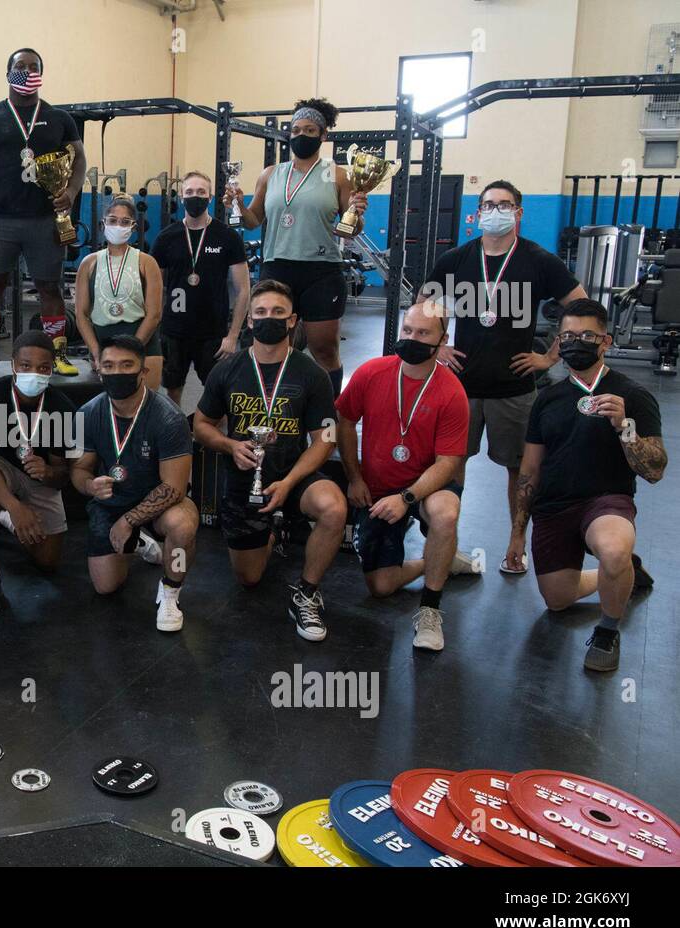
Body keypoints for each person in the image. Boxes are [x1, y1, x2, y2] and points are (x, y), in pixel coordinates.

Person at [418, 179, 588, 574]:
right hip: (460, 387)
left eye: (504, 204)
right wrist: (437, 347)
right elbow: (423, 309)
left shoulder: (539, 261)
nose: (496, 211)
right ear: (476, 213)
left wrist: (549, 358)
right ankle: (448, 548)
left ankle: (516, 544)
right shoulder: (456, 260)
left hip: (514, 389)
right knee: (451, 466)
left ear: (519, 212)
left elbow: (581, 308)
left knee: (522, 472)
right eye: (488, 205)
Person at [510, 298, 665, 672]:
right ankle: (624, 570)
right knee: (557, 600)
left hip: (605, 501)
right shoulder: (547, 399)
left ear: (605, 341)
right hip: (555, 506)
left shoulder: (633, 396)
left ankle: (608, 632)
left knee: (611, 549)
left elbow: (655, 470)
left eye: (586, 335)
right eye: (568, 336)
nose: (575, 342)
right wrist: (517, 534)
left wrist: (624, 428)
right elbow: (530, 470)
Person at [193, 280, 346, 641]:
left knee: (333, 508)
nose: (269, 319)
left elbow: (325, 440)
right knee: (249, 579)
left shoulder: (312, 374)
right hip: (244, 479)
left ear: (293, 320)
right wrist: (231, 446)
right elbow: (201, 425)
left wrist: (291, 482)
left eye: (278, 313)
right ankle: (274, 530)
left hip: (294, 475)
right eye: (260, 313)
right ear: (248, 321)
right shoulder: (228, 369)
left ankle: (306, 594)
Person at [335, 301, 482, 652]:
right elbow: (344, 421)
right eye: (407, 331)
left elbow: (448, 463)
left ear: (442, 339)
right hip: (378, 486)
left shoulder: (451, 392)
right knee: (381, 587)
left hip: (428, 484)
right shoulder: (371, 373)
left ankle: (430, 610)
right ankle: (439, 561)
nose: (412, 339)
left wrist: (406, 499)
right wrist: (354, 478)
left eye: (423, 333)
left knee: (446, 514)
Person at [225, 98, 369, 398]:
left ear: (323, 135)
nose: (301, 135)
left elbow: (350, 229)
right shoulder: (271, 174)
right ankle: (277, 408)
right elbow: (252, 221)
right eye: (296, 129)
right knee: (272, 345)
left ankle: (328, 417)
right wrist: (238, 203)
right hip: (277, 267)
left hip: (321, 270)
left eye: (310, 129)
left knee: (324, 350)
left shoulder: (338, 175)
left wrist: (357, 214)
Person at [0, 47, 87, 376]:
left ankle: (55, 353)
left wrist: (71, 194)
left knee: (50, 288)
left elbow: (80, 162)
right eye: (21, 66)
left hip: (45, 221)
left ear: (42, 73)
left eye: (34, 67)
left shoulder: (60, 119)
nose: (27, 71)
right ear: (8, 72)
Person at [71, 336, 200, 632]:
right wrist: (90, 486)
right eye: (109, 366)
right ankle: (140, 542)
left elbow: (174, 488)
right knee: (106, 587)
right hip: (112, 502)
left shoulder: (169, 418)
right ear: (98, 369)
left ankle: (170, 592)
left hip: (160, 502)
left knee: (181, 527)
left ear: (143, 370)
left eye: (126, 365)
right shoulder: (86, 414)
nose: (117, 373)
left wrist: (129, 520)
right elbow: (79, 470)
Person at [0, 330, 78, 612]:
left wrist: (49, 472)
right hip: (0, 472)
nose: (33, 374)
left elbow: (65, 475)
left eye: (42, 368)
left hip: (38, 481)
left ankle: (4, 518)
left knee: (48, 561)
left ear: (51, 369)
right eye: (26, 366)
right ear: (13, 364)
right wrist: (14, 505)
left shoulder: (62, 407)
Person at [151, 171, 250, 407]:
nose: (195, 196)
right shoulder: (166, 238)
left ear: (210, 197)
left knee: (219, 394)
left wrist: (233, 335)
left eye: (201, 192)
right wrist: (155, 330)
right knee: (173, 391)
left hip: (213, 333)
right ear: (182, 197)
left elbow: (244, 289)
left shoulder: (227, 237)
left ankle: (216, 443)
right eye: (189, 192)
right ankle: (176, 435)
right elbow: (155, 288)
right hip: (174, 331)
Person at [75, 194, 165, 392]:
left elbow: (154, 314)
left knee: (145, 409)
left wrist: (133, 350)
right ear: (102, 224)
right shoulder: (89, 263)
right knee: (108, 412)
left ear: (133, 227)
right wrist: (98, 353)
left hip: (143, 344)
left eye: (125, 222)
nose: (118, 226)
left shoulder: (147, 262)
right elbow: (81, 315)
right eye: (113, 221)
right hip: (103, 345)